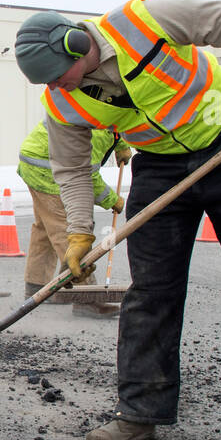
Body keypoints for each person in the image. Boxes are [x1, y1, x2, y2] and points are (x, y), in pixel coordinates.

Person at [13, 0, 221, 440]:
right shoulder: (61, 99)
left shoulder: (142, 22)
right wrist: (81, 232)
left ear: (77, 43)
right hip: (161, 166)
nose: (58, 85)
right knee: (151, 290)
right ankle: (139, 412)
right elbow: (71, 170)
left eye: (59, 72)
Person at [17, 120, 131, 317]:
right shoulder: (95, 134)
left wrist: (121, 146)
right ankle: (86, 299)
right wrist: (113, 200)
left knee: (45, 229)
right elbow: (87, 176)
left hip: (34, 161)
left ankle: (37, 288)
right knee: (70, 232)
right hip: (46, 170)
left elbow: (115, 127)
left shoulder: (106, 118)